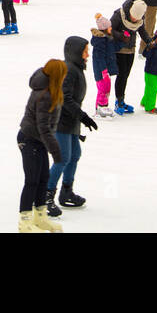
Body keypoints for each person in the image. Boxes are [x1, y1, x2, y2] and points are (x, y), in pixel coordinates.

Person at [45, 36, 96, 218]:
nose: (87, 54)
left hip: (72, 121)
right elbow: (65, 97)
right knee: (62, 158)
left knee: (74, 155)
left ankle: (66, 191)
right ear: (76, 52)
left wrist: (80, 118)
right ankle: (46, 195)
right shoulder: (69, 70)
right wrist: (82, 116)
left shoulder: (76, 69)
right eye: (84, 51)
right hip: (61, 122)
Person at [17, 58, 66, 233]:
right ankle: (24, 221)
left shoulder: (51, 90)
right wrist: (56, 151)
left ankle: (40, 217)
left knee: (43, 178)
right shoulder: (45, 94)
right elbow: (43, 127)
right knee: (32, 180)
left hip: (38, 140)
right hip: (29, 139)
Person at [109, 0, 150, 114]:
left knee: (126, 75)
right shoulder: (119, 14)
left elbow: (142, 31)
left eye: (137, 18)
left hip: (131, 50)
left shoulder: (139, 20)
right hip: (119, 50)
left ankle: (122, 99)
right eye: (133, 17)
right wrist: (121, 36)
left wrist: (149, 41)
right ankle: (119, 100)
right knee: (121, 75)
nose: (134, 20)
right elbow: (109, 30)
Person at [89, 13, 118, 119]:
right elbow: (99, 57)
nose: (111, 28)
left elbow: (113, 49)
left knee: (104, 88)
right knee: (104, 88)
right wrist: (103, 70)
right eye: (110, 27)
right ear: (105, 29)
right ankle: (102, 107)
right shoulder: (100, 41)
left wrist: (125, 41)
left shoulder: (107, 39)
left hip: (104, 70)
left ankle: (99, 107)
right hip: (101, 70)